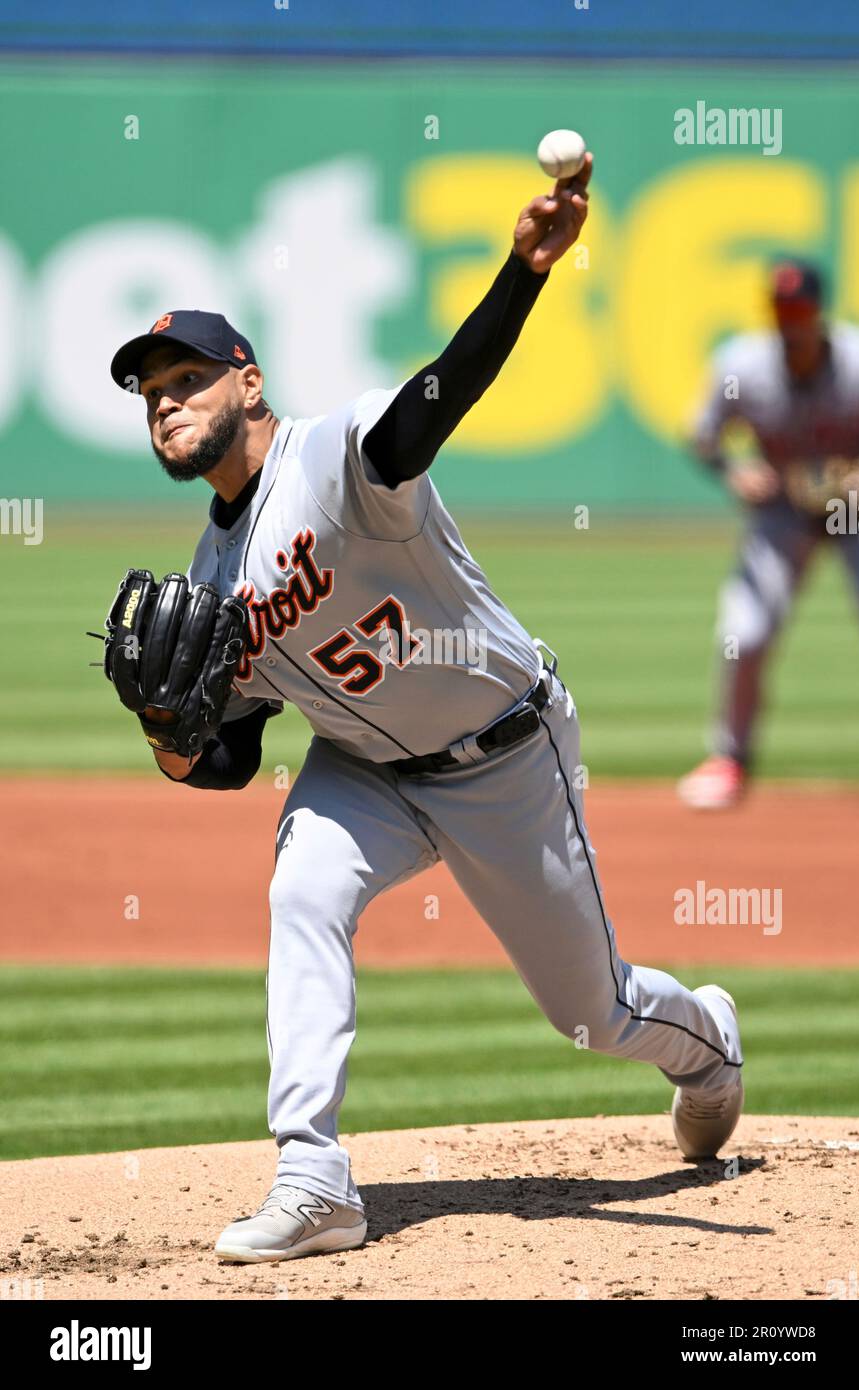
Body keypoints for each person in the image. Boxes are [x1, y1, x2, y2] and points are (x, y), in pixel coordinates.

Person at [108, 151, 743, 1265]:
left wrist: (522, 273)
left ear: (247, 382)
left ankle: (707, 1046)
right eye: (150, 392)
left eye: (187, 378)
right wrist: (170, 736)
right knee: (302, 883)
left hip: (504, 752)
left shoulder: (338, 457)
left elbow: (439, 393)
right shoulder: (207, 583)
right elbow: (228, 755)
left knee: (592, 1014)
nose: (166, 401)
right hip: (364, 771)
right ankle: (314, 1177)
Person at [678, 259, 859, 810]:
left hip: (856, 512)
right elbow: (702, 435)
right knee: (747, 632)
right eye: (782, 310)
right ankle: (730, 759)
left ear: (819, 312)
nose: (791, 321)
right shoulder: (743, 365)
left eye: (800, 310)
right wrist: (733, 471)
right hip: (784, 512)